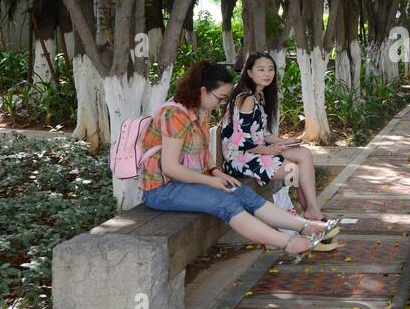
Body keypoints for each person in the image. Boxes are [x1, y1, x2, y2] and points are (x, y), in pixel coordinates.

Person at [140, 60, 338, 259]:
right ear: (202, 90)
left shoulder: (200, 111)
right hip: (162, 189)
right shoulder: (174, 114)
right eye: (220, 98)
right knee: (225, 201)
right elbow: (170, 167)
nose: (220, 104)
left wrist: (216, 172)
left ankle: (307, 226)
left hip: (189, 182)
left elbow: (204, 153)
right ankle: (289, 243)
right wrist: (212, 181)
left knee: (242, 193)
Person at [221, 52, 325, 221]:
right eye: (261, 69)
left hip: (255, 150)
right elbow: (243, 141)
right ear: (249, 72)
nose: (267, 74)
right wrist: (270, 151)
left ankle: (310, 209)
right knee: (294, 169)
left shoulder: (258, 96)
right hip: (239, 157)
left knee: (303, 153)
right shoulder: (246, 98)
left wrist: (284, 142)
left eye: (270, 69)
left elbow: (261, 134)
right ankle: (306, 210)